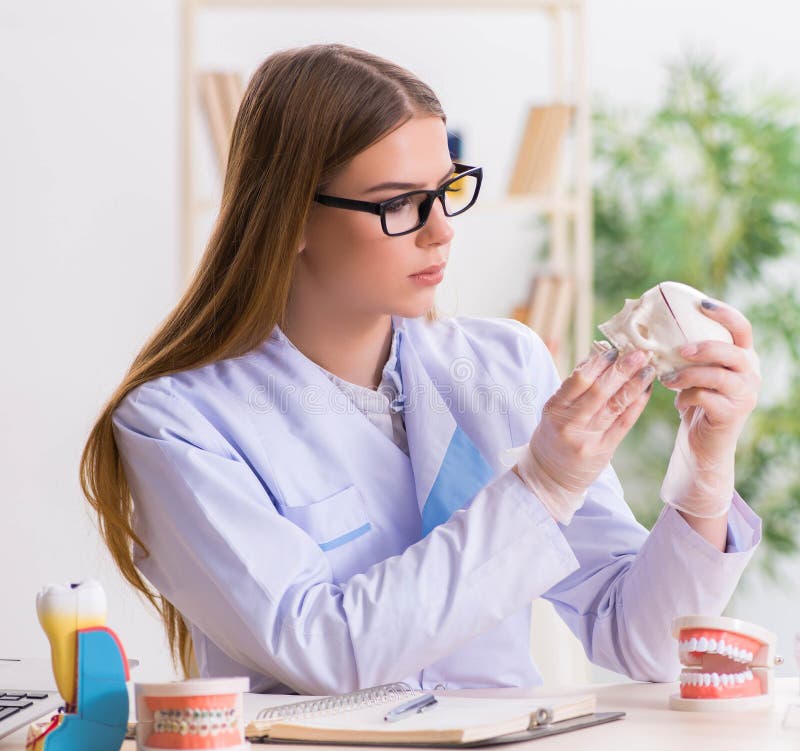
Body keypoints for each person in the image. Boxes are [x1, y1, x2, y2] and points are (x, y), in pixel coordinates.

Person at [80, 43, 762, 695]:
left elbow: (641, 639)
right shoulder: (177, 422)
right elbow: (322, 650)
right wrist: (541, 489)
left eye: (447, 190)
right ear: (290, 217)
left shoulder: (505, 362)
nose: (442, 230)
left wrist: (705, 474)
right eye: (399, 203)